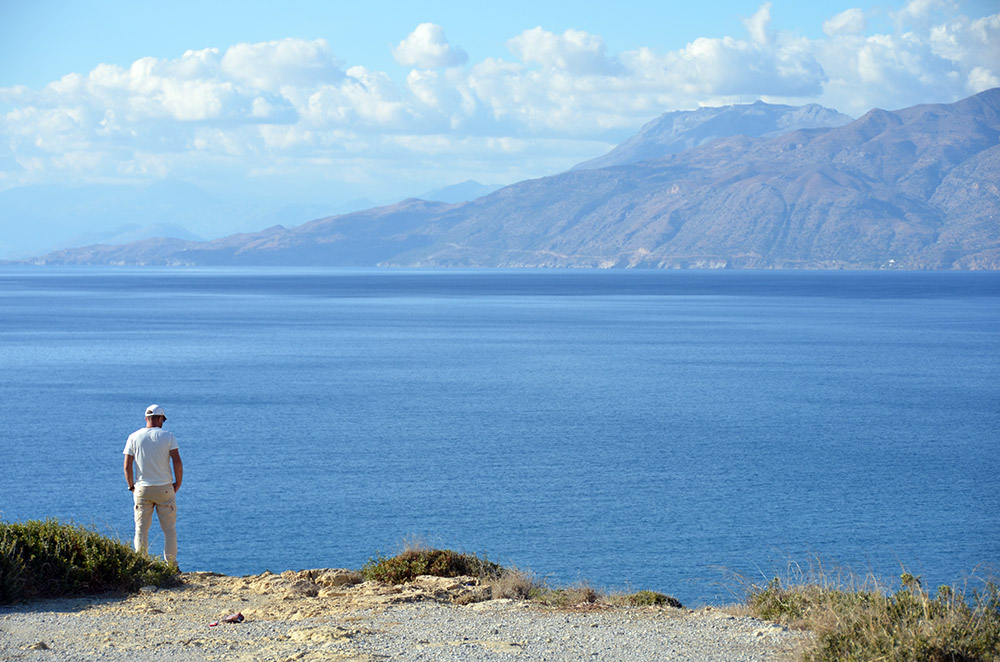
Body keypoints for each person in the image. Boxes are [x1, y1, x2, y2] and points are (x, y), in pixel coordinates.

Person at [123, 404, 183, 565]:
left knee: (141, 529)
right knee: (169, 530)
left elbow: (127, 465)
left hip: (142, 488)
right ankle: (171, 565)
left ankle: (141, 564)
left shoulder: (133, 437)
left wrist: (131, 486)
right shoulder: (168, 436)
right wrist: (177, 484)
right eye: (163, 419)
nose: (163, 422)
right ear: (159, 418)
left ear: (146, 419)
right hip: (165, 488)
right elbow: (177, 461)